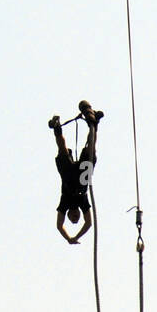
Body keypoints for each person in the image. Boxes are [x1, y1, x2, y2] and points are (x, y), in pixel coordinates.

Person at [49, 101, 103, 243]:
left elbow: (59, 226)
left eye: (72, 219)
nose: (75, 218)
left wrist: (69, 238)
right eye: (77, 218)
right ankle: (93, 122)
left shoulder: (64, 204)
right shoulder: (83, 203)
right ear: (79, 213)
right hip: (82, 179)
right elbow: (89, 223)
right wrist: (76, 237)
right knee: (91, 148)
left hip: (68, 177)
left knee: (62, 150)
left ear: (68, 215)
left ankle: (56, 127)